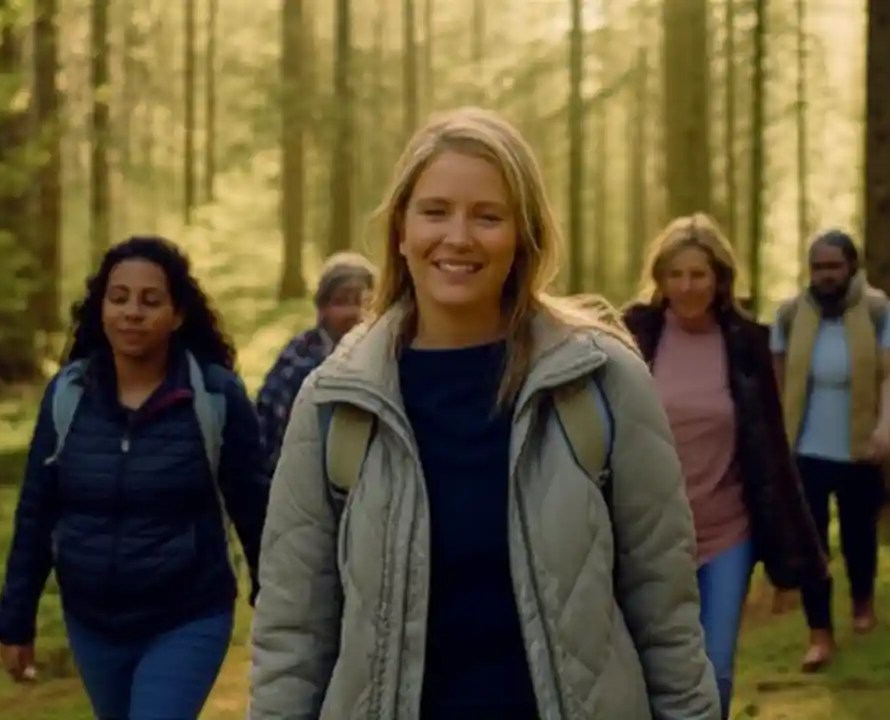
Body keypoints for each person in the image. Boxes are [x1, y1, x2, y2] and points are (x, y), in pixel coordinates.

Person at [248, 107, 721, 719]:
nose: (459, 237)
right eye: (436, 211)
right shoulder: (334, 403)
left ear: (524, 236)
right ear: (400, 229)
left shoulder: (602, 384)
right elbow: (293, 633)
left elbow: (666, 611)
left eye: (488, 216)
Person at [0, 236, 268, 719]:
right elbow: (37, 510)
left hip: (187, 615)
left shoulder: (215, 397)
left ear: (178, 314)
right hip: (92, 620)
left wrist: (278, 603)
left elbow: (255, 508)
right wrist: (16, 621)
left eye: (150, 300)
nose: (132, 312)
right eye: (118, 298)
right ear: (101, 308)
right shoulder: (69, 395)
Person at [622, 214, 826, 717]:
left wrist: (792, 561)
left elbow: (772, 452)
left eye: (698, 275)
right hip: (646, 538)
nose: (687, 287)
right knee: (648, 671)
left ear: (719, 280)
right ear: (660, 279)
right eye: (676, 275)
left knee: (716, 668)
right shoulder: (632, 335)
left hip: (726, 534)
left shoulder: (747, 343)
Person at [770, 228, 890, 671]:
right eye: (817, 267)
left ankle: (863, 600)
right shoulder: (790, 314)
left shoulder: (878, 310)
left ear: (852, 268)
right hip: (805, 450)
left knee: (858, 534)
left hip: (860, 447)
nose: (825, 276)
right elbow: (776, 379)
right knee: (812, 546)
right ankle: (820, 634)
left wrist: (886, 427)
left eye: (834, 267)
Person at [254, 251, 376, 479]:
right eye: (341, 302)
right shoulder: (298, 359)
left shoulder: (392, 357)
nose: (354, 313)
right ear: (322, 308)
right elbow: (268, 429)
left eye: (364, 303)